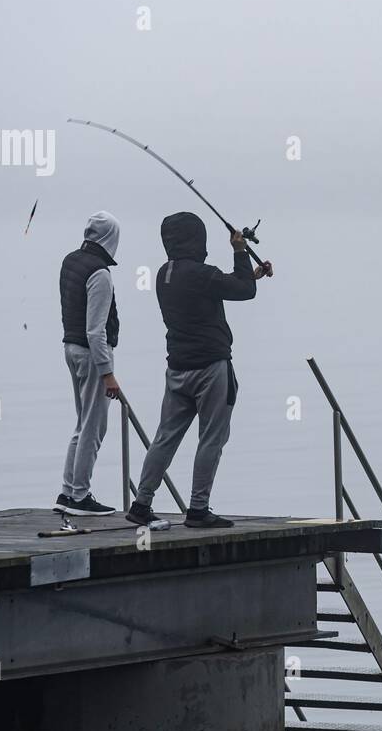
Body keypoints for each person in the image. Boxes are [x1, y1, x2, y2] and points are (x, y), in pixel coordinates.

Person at [126, 212, 271, 529]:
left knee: (164, 438)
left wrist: (249, 273)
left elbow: (234, 285)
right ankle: (198, 509)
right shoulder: (204, 274)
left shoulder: (164, 274)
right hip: (211, 369)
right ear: (198, 240)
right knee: (211, 439)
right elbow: (244, 291)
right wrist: (239, 250)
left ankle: (141, 504)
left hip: (177, 369)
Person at [53, 211, 122, 517]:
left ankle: (67, 492)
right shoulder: (100, 274)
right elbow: (97, 330)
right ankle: (80, 496)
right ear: (111, 239)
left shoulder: (71, 260)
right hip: (91, 354)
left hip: (70, 347)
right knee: (94, 427)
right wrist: (108, 373)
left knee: (82, 424)